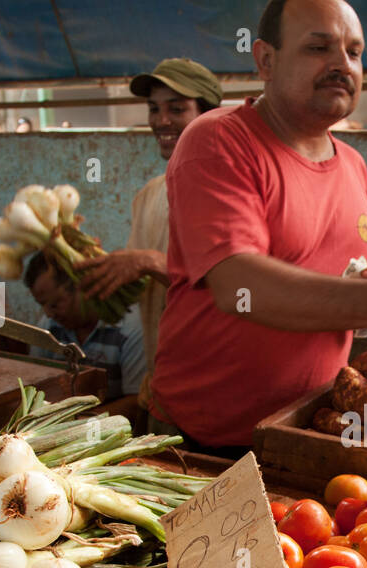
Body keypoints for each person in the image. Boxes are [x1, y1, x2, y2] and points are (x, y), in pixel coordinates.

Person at [151, 0, 367, 453]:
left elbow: (356, 283)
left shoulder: (353, 166)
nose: (343, 65)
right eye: (319, 47)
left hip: (305, 430)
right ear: (266, 59)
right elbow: (239, 286)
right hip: (201, 442)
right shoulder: (218, 140)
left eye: (354, 52)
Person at [79, 57, 223, 416]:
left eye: (176, 109)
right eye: (154, 109)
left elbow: (236, 288)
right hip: (163, 380)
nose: (161, 121)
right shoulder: (149, 195)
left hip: (217, 383)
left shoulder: (230, 191)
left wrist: (147, 261)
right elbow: (141, 290)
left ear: (207, 115)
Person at [23, 252, 146, 405]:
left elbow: (136, 401)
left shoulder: (130, 329)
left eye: (55, 304)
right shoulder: (49, 328)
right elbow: (35, 388)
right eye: (43, 305)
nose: (48, 314)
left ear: (82, 287)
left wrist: (86, 424)